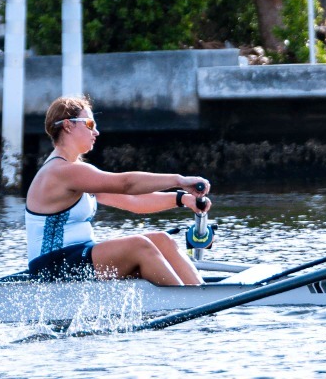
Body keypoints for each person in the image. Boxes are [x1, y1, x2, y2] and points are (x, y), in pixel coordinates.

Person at [23, 95, 213, 285]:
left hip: (77, 257)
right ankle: (186, 303)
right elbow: (127, 185)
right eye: (89, 124)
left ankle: (200, 294)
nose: (96, 132)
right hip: (51, 268)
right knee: (140, 246)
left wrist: (181, 199)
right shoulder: (62, 171)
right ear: (67, 125)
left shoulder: (77, 173)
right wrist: (179, 180)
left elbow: (133, 201)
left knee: (162, 240)